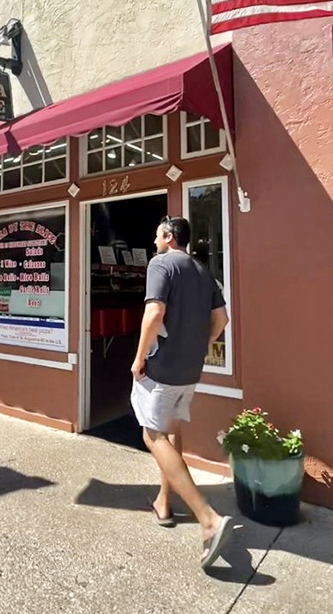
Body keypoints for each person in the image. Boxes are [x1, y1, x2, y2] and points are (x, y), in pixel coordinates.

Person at [130, 215, 232, 571]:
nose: (154, 240)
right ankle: (164, 502)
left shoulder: (161, 264)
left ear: (169, 236)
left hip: (162, 368)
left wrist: (139, 357)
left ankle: (208, 518)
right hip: (190, 370)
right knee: (172, 428)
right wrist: (201, 343)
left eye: (157, 235)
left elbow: (154, 313)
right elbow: (222, 320)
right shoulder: (202, 271)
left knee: (152, 433)